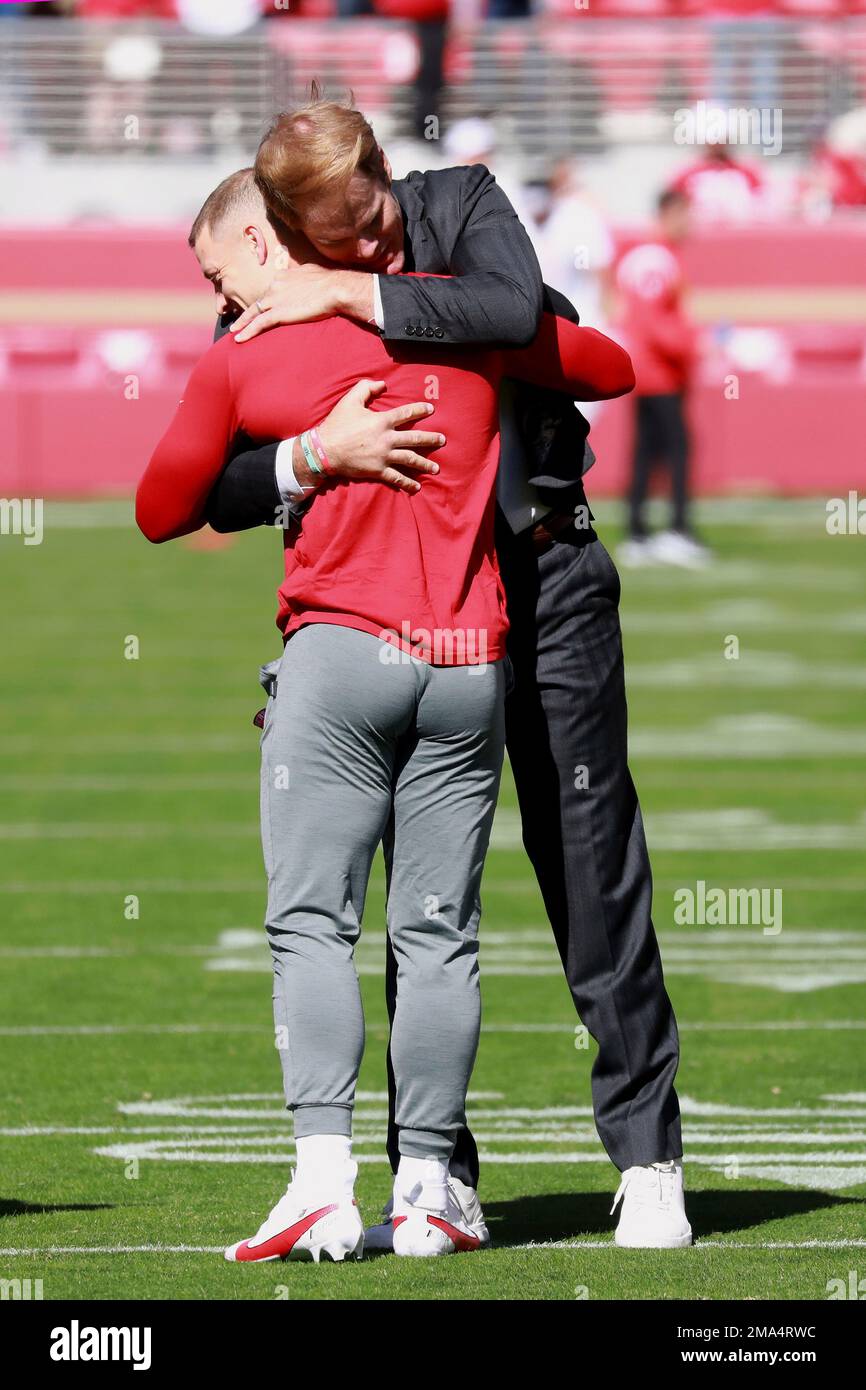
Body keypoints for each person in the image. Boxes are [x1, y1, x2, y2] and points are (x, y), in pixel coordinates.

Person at [205, 93, 693, 1251]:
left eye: (371, 214)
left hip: (542, 568)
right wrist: (300, 459)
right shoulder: (276, 277)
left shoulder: (458, 203)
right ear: (282, 227)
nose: (365, 240)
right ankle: (434, 1170)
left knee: (587, 859)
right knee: (422, 894)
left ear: (387, 174)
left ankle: (647, 1154)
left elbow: (527, 314)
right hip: (401, 607)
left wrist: (352, 292)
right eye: (332, 235)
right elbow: (206, 476)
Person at [615, 189, 707, 571]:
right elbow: (652, 321)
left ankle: (639, 532)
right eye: (685, 215)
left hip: (651, 370)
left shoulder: (649, 257)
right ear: (668, 213)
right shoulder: (655, 259)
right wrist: (691, 348)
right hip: (659, 373)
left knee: (647, 452)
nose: (690, 224)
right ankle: (676, 530)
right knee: (675, 450)